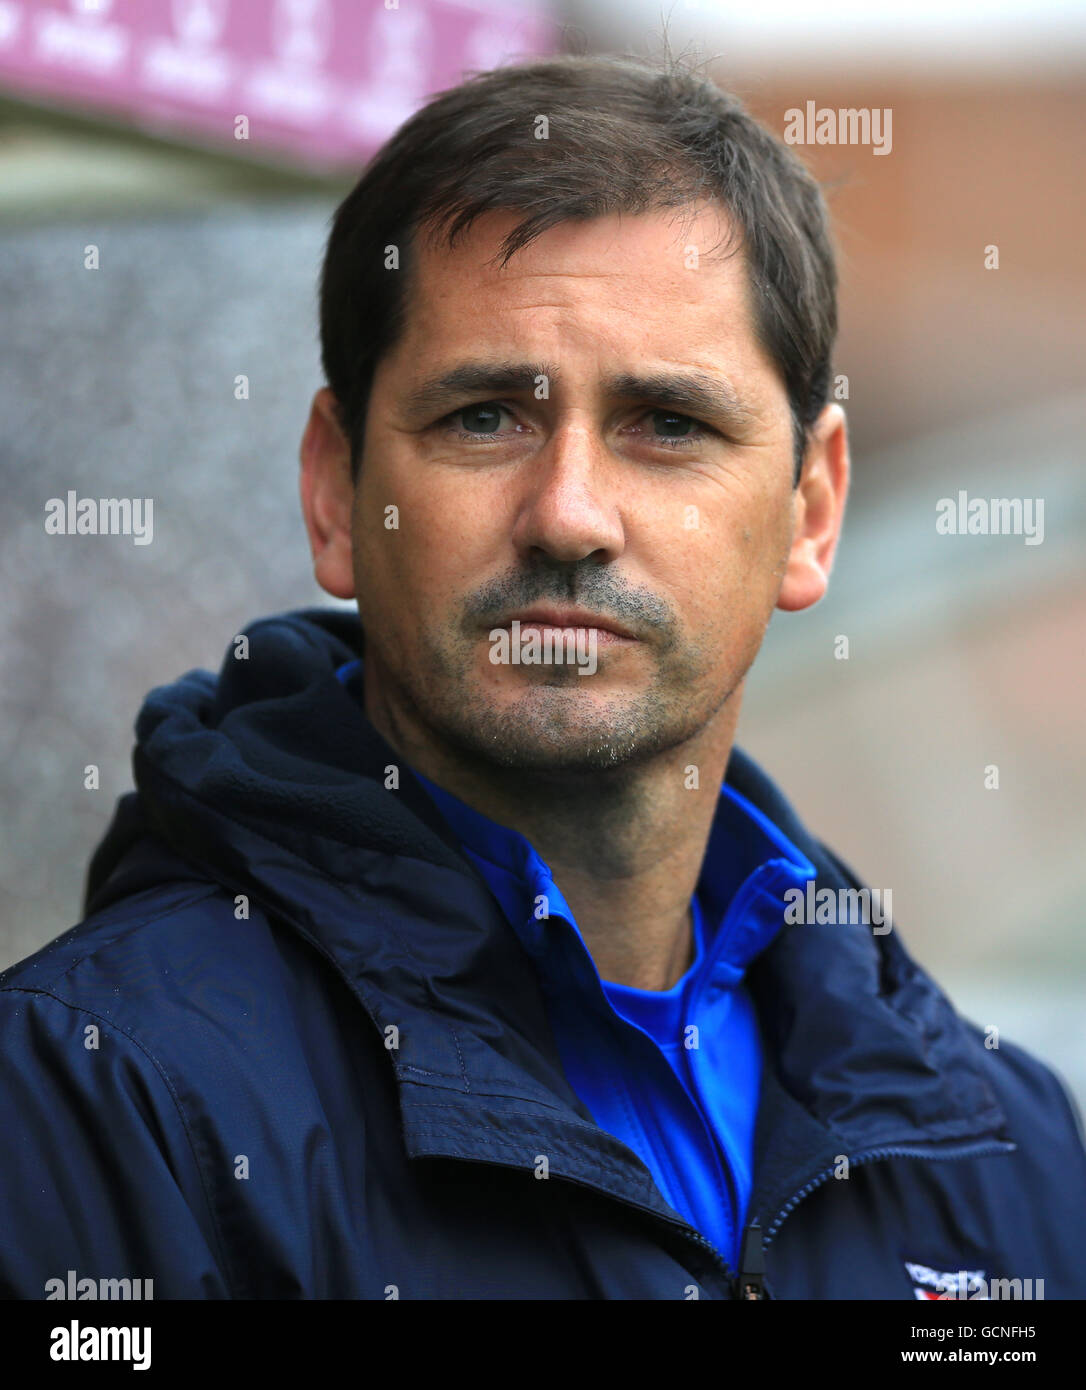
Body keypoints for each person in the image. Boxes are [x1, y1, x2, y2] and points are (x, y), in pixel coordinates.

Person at [2, 52, 1083, 1301]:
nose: (569, 514)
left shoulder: (1007, 1148)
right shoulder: (103, 1094)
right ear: (333, 491)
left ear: (813, 511)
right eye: (485, 418)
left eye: (668, 425)